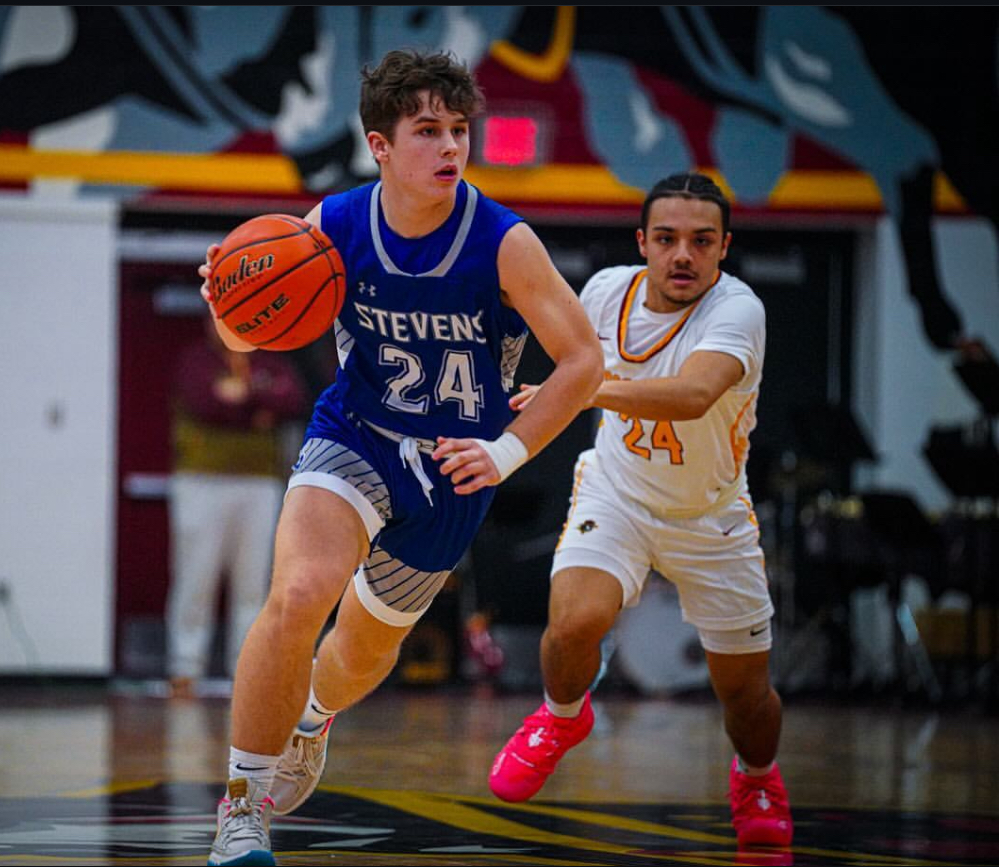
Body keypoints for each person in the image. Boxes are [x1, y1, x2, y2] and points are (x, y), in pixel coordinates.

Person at [199, 49, 603, 866]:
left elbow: (584, 362)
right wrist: (227, 302)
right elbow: (247, 329)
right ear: (380, 146)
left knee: (359, 653)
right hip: (358, 432)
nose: (450, 146)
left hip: (457, 465)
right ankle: (241, 806)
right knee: (300, 592)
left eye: (459, 129)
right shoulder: (337, 225)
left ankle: (312, 717)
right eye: (427, 131)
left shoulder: (502, 241)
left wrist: (507, 451)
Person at [487, 172, 793, 849]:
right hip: (618, 493)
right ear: (643, 243)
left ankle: (759, 776)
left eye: (700, 240)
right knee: (572, 624)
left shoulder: (737, 310)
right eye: (667, 239)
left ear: (723, 248)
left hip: (710, 512)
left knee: (745, 696)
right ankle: (562, 715)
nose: (683, 254)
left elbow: (691, 395)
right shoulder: (603, 292)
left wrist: (587, 388)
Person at [165, 318, 305, 699]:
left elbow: (292, 400)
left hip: (259, 482)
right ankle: (184, 668)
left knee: (254, 580)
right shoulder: (196, 359)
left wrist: (243, 394)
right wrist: (258, 404)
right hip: (202, 481)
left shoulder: (271, 359)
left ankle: (247, 670)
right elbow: (205, 401)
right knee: (196, 574)